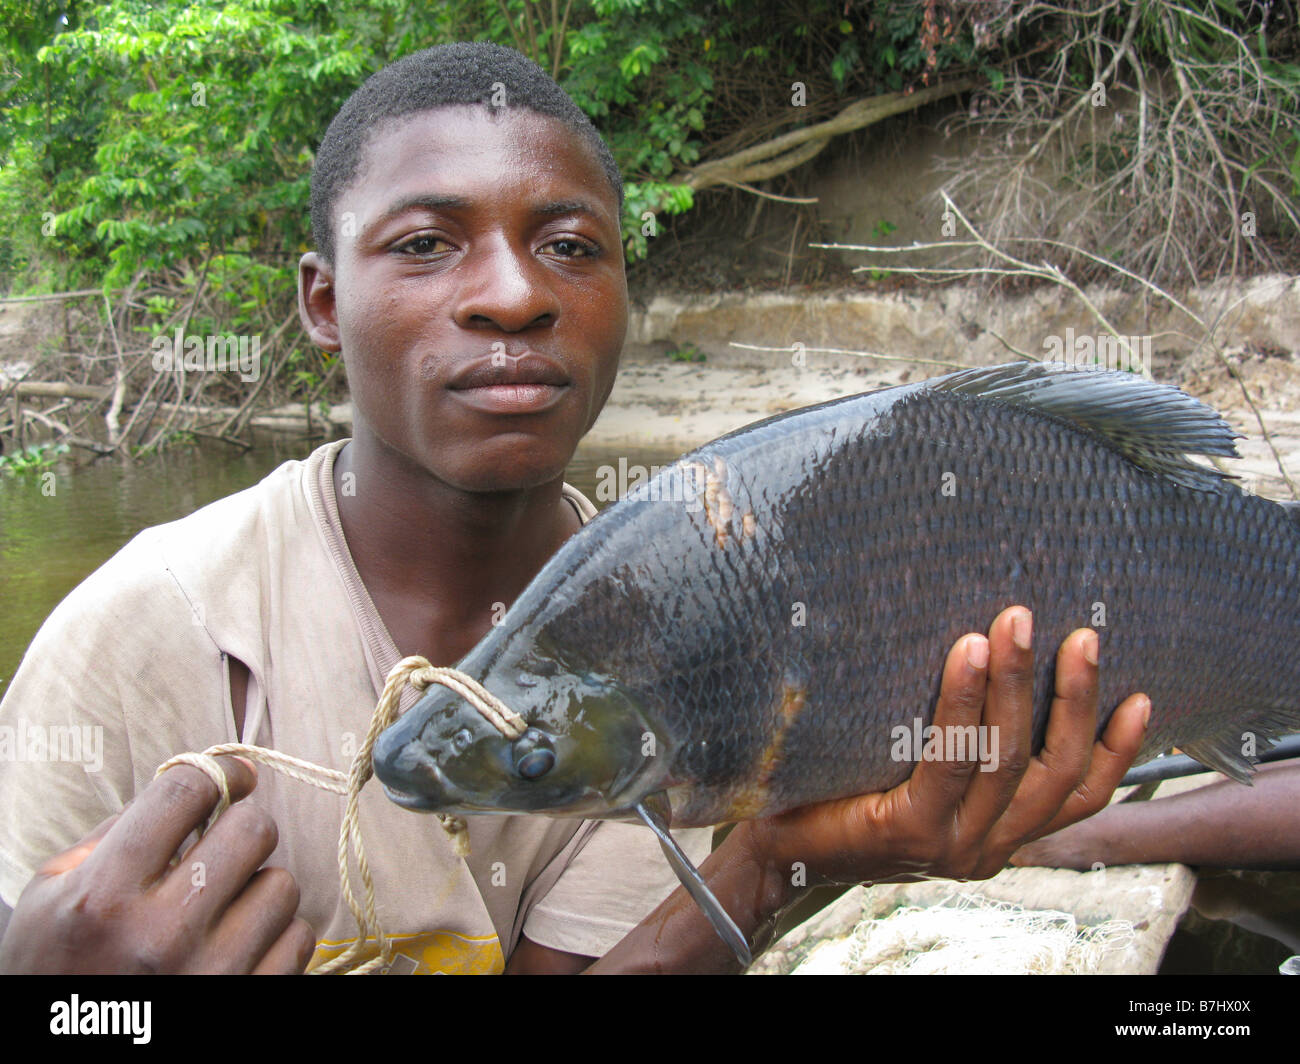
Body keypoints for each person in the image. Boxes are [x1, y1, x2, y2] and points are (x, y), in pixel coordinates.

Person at [0, 42, 1150, 975]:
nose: (513, 294)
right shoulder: (138, 638)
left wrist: (780, 861)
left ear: (621, 301)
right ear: (320, 301)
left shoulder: (683, 639)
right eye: (423, 244)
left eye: (567, 246)